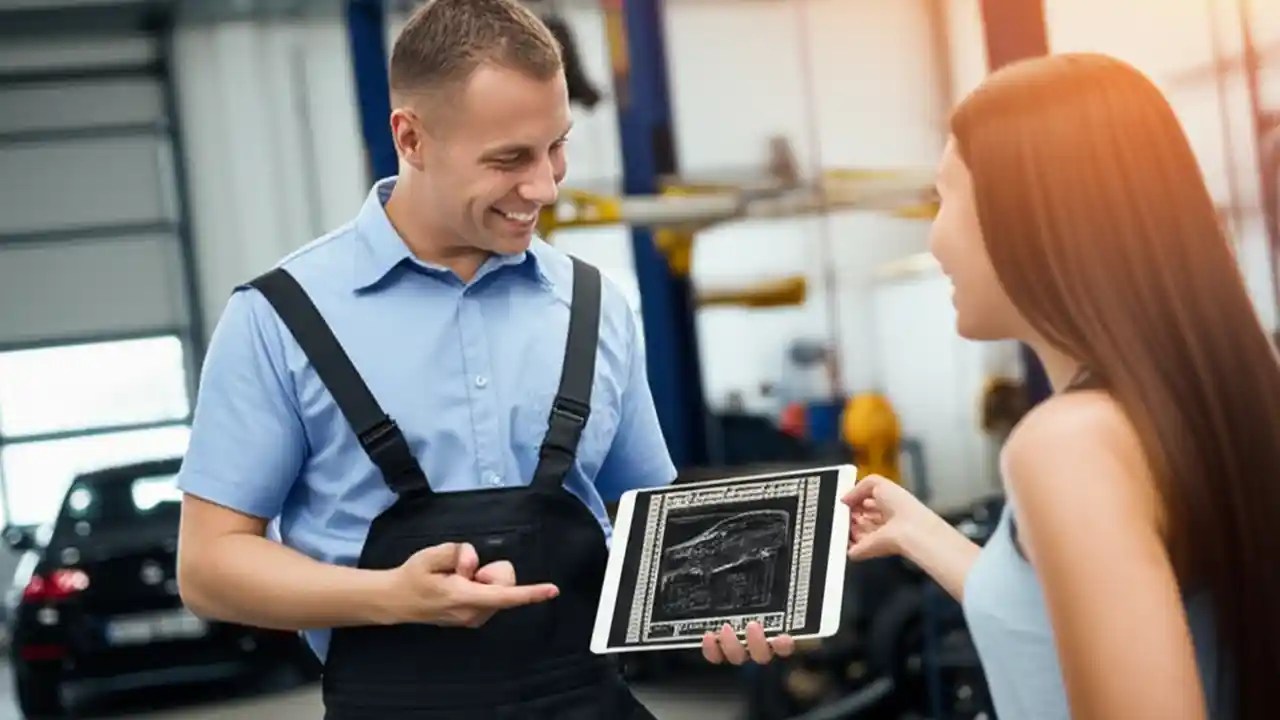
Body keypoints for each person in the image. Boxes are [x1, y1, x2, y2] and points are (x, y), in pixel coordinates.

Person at [703, 53, 1280, 720]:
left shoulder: (1067, 444)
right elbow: (1064, 624)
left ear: (1029, 216)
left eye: (946, 197)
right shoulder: (1193, 403)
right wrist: (920, 533)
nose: (936, 235)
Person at [174, 1, 675, 717]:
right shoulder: (277, 320)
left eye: (555, 146)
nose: (545, 186)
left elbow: (651, 520)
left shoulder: (596, 306)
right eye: (509, 159)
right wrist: (387, 597)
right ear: (411, 137)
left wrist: (733, 602)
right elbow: (209, 567)